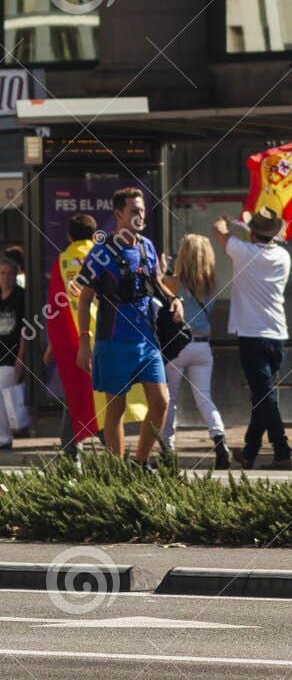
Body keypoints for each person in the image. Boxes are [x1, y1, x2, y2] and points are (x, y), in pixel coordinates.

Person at [75, 187, 180, 466]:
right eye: (134, 210)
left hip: (147, 341)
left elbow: (156, 282)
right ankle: (117, 470)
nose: (140, 214)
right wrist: (84, 341)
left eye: (142, 209)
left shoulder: (147, 246)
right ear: (118, 214)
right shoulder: (101, 253)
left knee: (161, 402)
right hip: (113, 342)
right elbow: (84, 300)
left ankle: (141, 463)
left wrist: (174, 300)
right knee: (116, 408)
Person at [213, 209, 291, 470]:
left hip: (252, 336)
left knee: (264, 396)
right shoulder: (283, 255)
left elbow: (218, 230)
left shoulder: (244, 252)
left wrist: (227, 220)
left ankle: (282, 449)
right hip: (278, 334)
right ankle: (250, 452)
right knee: (262, 395)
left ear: (253, 232)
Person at [159, 234, 231, 470]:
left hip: (178, 346)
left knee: (170, 400)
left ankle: (167, 449)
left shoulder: (174, 281)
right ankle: (220, 441)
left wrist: (160, 271)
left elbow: (160, 290)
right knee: (204, 398)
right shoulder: (211, 282)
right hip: (202, 346)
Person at [0, 252, 27, 449]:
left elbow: (26, 330)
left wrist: (21, 358)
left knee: (3, 396)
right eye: (1, 273)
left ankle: (5, 437)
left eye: (9, 273)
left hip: (11, 355)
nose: (5, 277)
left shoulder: (21, 296)